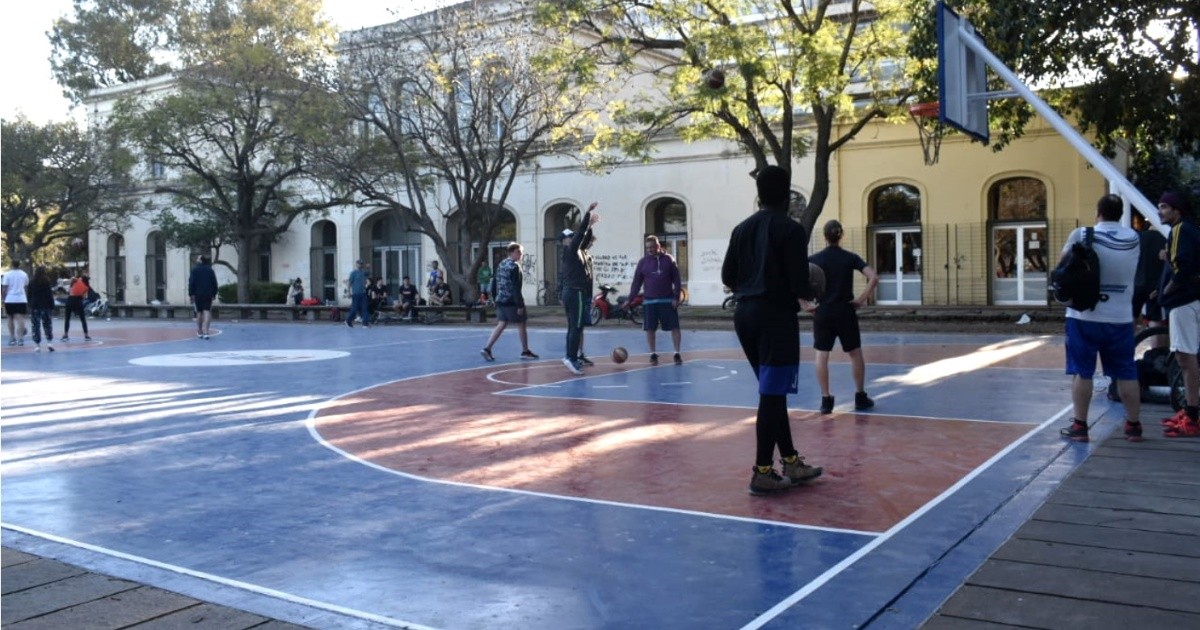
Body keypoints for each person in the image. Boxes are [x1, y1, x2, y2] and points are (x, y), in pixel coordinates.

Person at [721, 165, 823, 495]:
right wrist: (812, 292)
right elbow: (799, 282)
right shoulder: (791, 230)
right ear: (785, 193)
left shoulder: (741, 229)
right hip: (775, 317)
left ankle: (791, 461)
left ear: (760, 194)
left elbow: (727, 276)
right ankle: (762, 471)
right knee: (772, 394)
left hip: (745, 315)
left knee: (772, 394)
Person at [1057, 194, 1142, 443]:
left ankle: (1081, 426)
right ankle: (1134, 426)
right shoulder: (1133, 238)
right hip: (1121, 317)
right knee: (1126, 372)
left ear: (1098, 212)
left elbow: (1062, 266)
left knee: (1083, 372)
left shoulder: (1082, 234)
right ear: (1120, 213)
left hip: (1083, 315)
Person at [806, 220, 880, 414]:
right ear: (841, 235)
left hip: (822, 311)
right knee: (855, 354)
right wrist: (862, 299)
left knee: (822, 355)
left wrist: (805, 304)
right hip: (845, 311)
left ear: (824, 236)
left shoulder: (814, 259)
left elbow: (795, 281)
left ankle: (826, 400)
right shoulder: (850, 257)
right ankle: (860, 396)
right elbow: (874, 277)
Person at [1157, 191, 1200, 438]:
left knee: (1185, 357)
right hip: (1193, 300)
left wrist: (1168, 289)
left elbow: (1181, 265)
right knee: (1191, 356)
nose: (1160, 212)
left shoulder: (1180, 230)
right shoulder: (1194, 230)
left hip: (1182, 302)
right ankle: (1191, 408)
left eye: (1164, 207)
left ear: (1177, 210)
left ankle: (1192, 414)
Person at [629, 235, 683, 365]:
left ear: (658, 246)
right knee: (650, 329)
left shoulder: (669, 260)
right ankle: (653, 354)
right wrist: (630, 298)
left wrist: (676, 297)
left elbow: (677, 280)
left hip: (667, 300)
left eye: (652, 247)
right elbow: (636, 282)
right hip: (649, 301)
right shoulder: (643, 262)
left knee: (675, 327)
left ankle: (677, 353)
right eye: (647, 248)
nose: (650, 250)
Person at [481, 243, 539, 362]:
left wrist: (495, 297)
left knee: (502, 324)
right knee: (521, 323)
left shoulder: (501, 264)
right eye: (518, 252)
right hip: (511, 301)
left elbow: (494, 282)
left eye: (521, 252)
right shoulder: (514, 267)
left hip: (501, 300)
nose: (521, 255)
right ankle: (525, 351)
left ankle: (487, 348)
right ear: (511, 252)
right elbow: (515, 288)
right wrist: (520, 305)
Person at [560, 202, 599, 375]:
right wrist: (587, 215)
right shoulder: (570, 251)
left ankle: (570, 356)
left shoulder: (580, 252)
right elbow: (580, 237)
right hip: (574, 292)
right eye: (569, 237)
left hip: (575, 292)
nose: (572, 238)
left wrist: (590, 227)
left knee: (574, 326)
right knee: (575, 326)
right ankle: (571, 358)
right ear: (564, 241)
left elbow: (584, 239)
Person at [1131, 213, 1166, 342]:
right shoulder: (1166, 238)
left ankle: (1127, 349)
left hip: (1137, 284)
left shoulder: (1139, 237)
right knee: (1155, 320)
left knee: (1132, 316)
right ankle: (1156, 353)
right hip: (1156, 286)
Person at [188, 255, 219, 340]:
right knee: (207, 311)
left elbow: (191, 282)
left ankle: (200, 331)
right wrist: (214, 293)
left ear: (200, 260)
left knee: (199, 312)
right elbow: (214, 283)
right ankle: (206, 331)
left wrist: (191, 294)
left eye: (198, 258)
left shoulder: (194, 270)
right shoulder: (210, 270)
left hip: (198, 294)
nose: (197, 260)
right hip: (208, 294)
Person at [27, 266, 56, 352]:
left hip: (35, 306)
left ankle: (37, 345)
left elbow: (29, 294)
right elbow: (49, 294)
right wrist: (52, 305)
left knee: (35, 325)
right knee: (47, 324)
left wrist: (30, 304)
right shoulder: (46, 281)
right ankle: (49, 342)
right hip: (45, 306)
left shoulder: (32, 282)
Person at [2, 260, 29, 346]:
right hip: (21, 299)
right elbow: (25, 285)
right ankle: (20, 339)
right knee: (20, 319)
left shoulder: (7, 274)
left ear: (11, 265)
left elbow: (4, 288)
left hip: (10, 299)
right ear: (19, 265)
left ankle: (12, 338)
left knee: (10, 318)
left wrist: (3, 298)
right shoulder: (24, 274)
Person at [61, 270, 93, 341]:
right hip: (78, 301)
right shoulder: (86, 287)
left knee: (67, 318)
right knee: (82, 319)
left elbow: (72, 279)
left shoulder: (77, 280)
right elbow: (84, 297)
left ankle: (65, 335)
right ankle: (86, 335)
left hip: (70, 300)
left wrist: (71, 285)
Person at [346, 259, 370, 327]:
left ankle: (365, 323)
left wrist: (368, 267)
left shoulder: (362, 272)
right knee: (354, 309)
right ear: (356, 264)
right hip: (356, 293)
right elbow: (349, 283)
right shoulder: (353, 273)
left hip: (363, 293)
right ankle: (348, 320)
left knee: (365, 308)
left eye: (361, 264)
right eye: (359, 264)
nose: (360, 265)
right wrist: (348, 292)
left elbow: (368, 273)